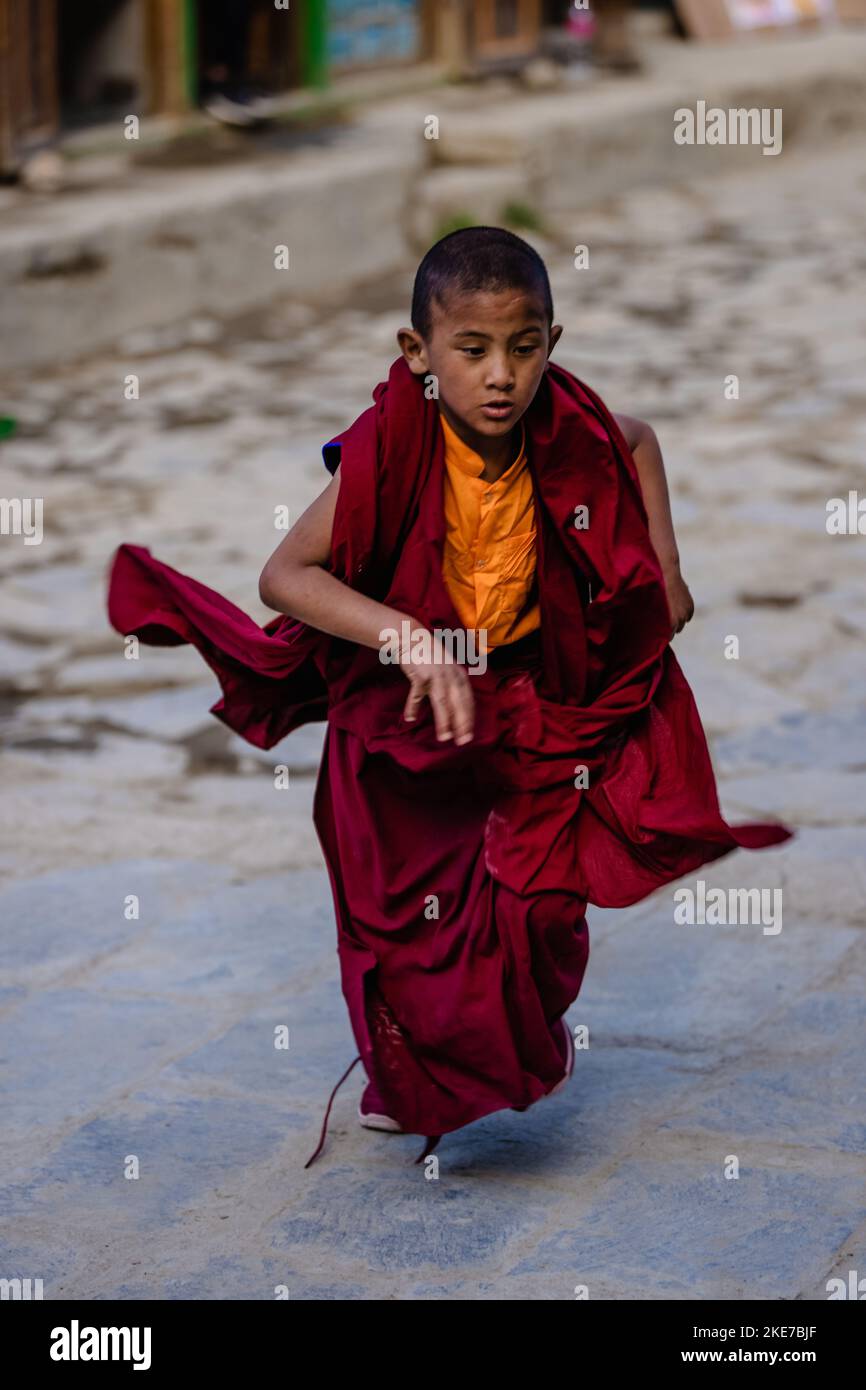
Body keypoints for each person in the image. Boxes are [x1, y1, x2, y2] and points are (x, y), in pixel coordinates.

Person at [106, 227, 791, 1168]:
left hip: (521, 697)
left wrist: (665, 563)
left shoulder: (568, 423)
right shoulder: (391, 446)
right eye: (471, 351)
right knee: (404, 927)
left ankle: (499, 1044)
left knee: (543, 904)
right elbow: (284, 576)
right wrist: (410, 637)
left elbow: (638, 441)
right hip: (401, 715)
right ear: (416, 353)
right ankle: (409, 1075)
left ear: (555, 341)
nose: (502, 376)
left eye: (526, 345)